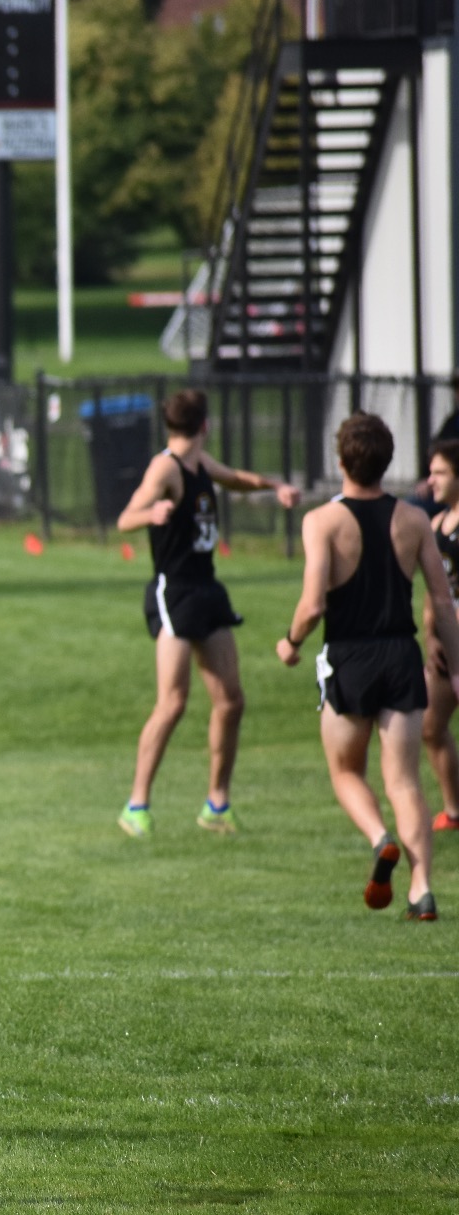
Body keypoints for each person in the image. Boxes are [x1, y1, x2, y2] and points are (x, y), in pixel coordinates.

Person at [277, 413, 459, 922]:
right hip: (402, 655)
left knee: (345, 770)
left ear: (340, 461)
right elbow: (442, 603)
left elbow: (313, 604)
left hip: (350, 657)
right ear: (388, 461)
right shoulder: (414, 519)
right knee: (404, 781)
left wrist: (290, 643)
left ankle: (381, 839)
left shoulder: (322, 522)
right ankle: (422, 890)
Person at [115, 389, 302, 837]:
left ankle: (217, 804)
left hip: (207, 590)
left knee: (231, 700)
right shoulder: (166, 467)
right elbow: (125, 517)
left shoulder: (199, 462)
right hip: (175, 593)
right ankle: (136, 805)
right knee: (173, 703)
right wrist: (151, 512)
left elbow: (233, 477)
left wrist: (273, 486)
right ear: (205, 424)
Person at [423, 441, 459, 833]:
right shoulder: (435, 526)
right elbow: (434, 593)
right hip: (447, 646)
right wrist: (432, 636)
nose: (431, 480)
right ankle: (454, 810)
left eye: (440, 473)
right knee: (430, 725)